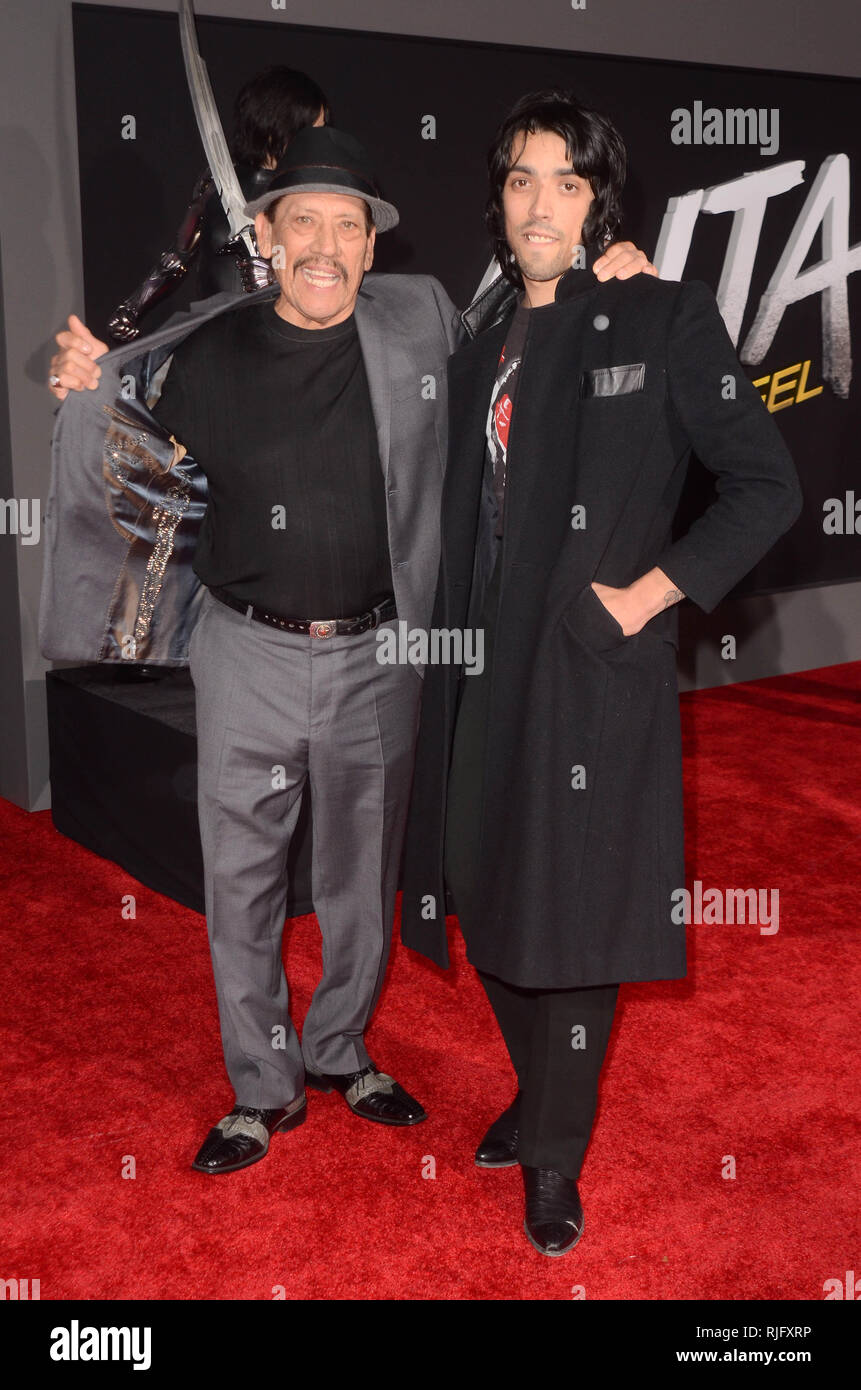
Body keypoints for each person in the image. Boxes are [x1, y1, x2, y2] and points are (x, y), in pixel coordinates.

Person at [45, 124, 654, 1178]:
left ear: (374, 249)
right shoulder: (201, 348)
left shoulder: (418, 322)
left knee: (364, 876)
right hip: (246, 655)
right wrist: (85, 380)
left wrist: (619, 287)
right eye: (304, 223)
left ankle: (339, 1049)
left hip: (381, 651)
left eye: (349, 226)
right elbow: (122, 431)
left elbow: (529, 358)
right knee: (241, 882)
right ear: (267, 239)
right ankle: (262, 1087)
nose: (326, 246)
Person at [399, 90, 802, 1256]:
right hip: (477, 666)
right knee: (483, 884)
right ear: (499, 200)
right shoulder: (479, 344)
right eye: (522, 179)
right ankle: (537, 1092)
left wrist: (645, 596)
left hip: (588, 669)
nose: (540, 202)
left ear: (598, 204)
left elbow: (766, 485)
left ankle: (555, 1158)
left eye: (567, 182)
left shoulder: (661, 314)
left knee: (572, 912)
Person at [106, 66, 329, 343]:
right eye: (312, 132)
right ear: (278, 127)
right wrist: (132, 308)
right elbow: (179, 255)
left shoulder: (310, 197)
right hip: (214, 342)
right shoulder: (215, 182)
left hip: (282, 344)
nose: (320, 145)